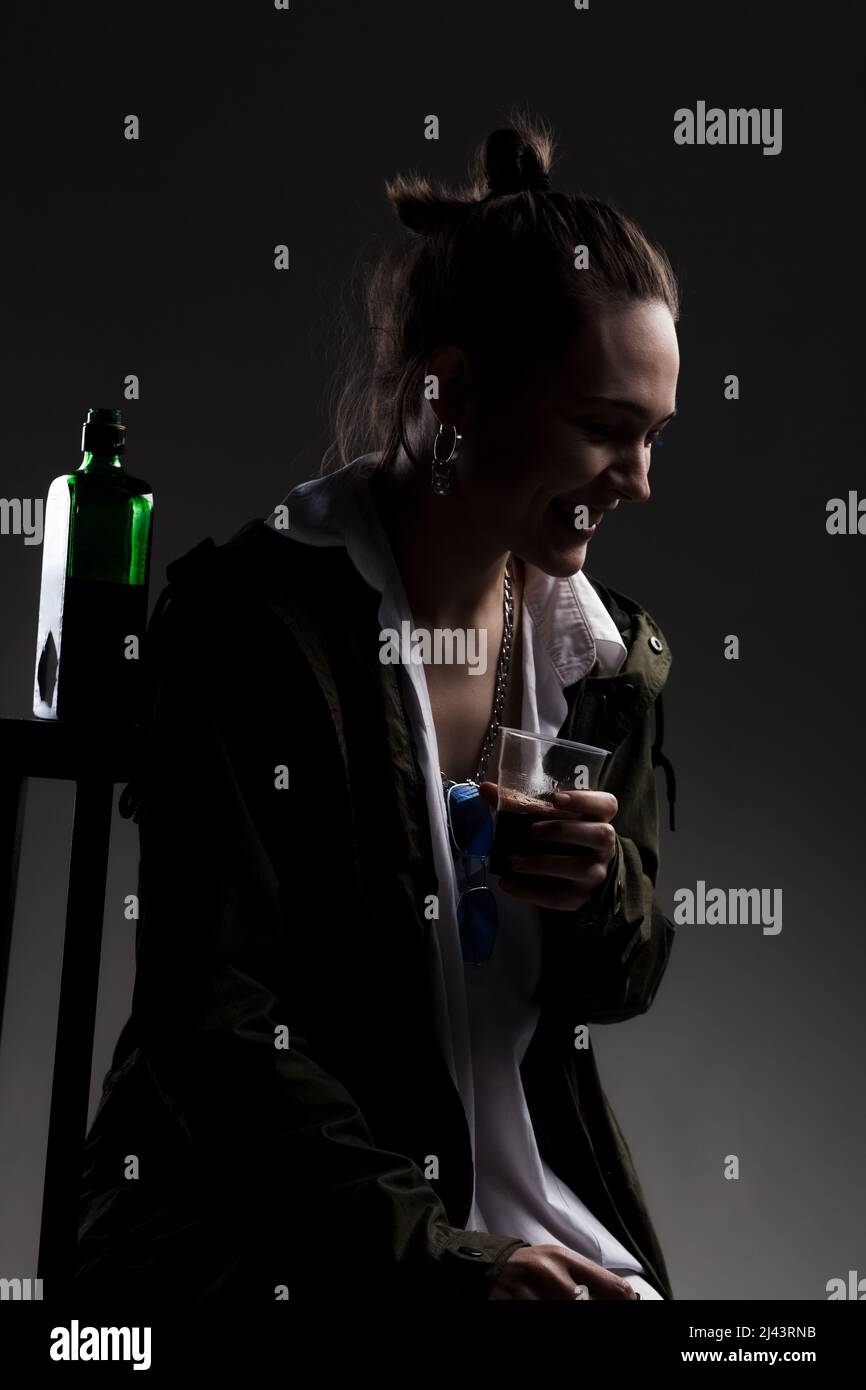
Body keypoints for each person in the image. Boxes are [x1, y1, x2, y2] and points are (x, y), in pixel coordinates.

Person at [76, 109, 680, 1302]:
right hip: (263, 1237)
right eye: (604, 430)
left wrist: (597, 890)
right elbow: (217, 1029)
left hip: (523, 1221)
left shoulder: (601, 660)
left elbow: (622, 978)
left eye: (653, 438)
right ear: (449, 395)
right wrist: (446, 1264)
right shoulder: (253, 625)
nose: (640, 482)